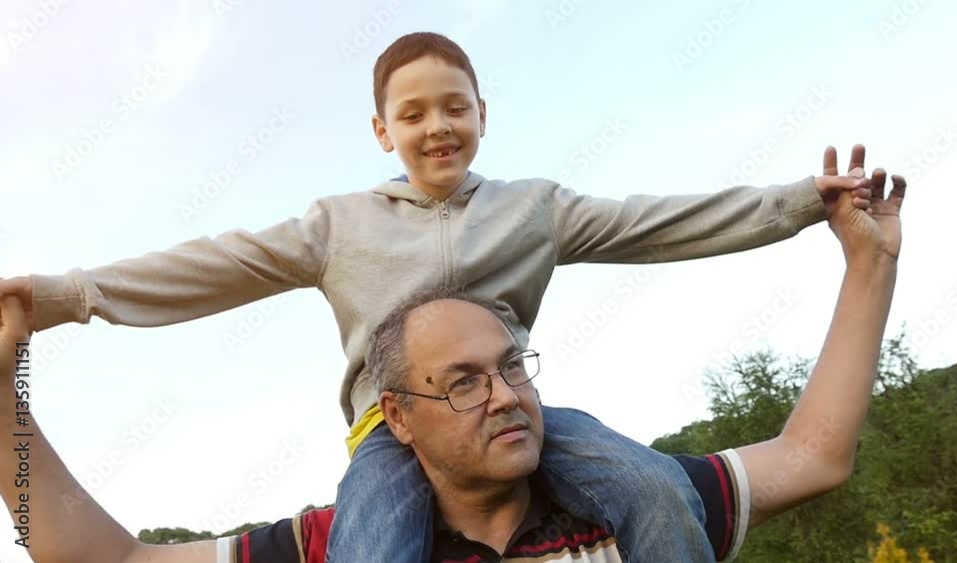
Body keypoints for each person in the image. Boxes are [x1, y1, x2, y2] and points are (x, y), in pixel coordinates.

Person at [0, 32, 877, 562]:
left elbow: (664, 222)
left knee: (653, 485)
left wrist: (805, 204)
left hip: (520, 420)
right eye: (412, 114)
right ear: (383, 130)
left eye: (453, 107)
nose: (437, 126)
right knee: (375, 545)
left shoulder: (536, 211)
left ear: (484, 114)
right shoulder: (337, 227)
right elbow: (215, 264)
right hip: (389, 442)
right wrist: (65, 296)